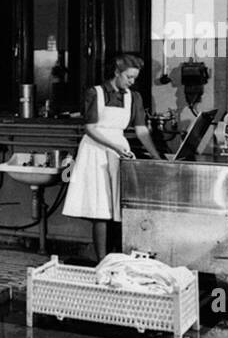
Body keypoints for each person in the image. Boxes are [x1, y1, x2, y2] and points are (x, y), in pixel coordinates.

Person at [62, 53, 163, 260]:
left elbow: (141, 130)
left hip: (119, 151)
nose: (132, 81)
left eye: (134, 78)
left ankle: (118, 256)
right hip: (95, 151)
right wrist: (114, 146)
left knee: (121, 204)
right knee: (100, 208)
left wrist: (158, 158)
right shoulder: (95, 93)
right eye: (129, 77)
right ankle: (102, 260)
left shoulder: (134, 97)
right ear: (117, 72)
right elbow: (90, 128)